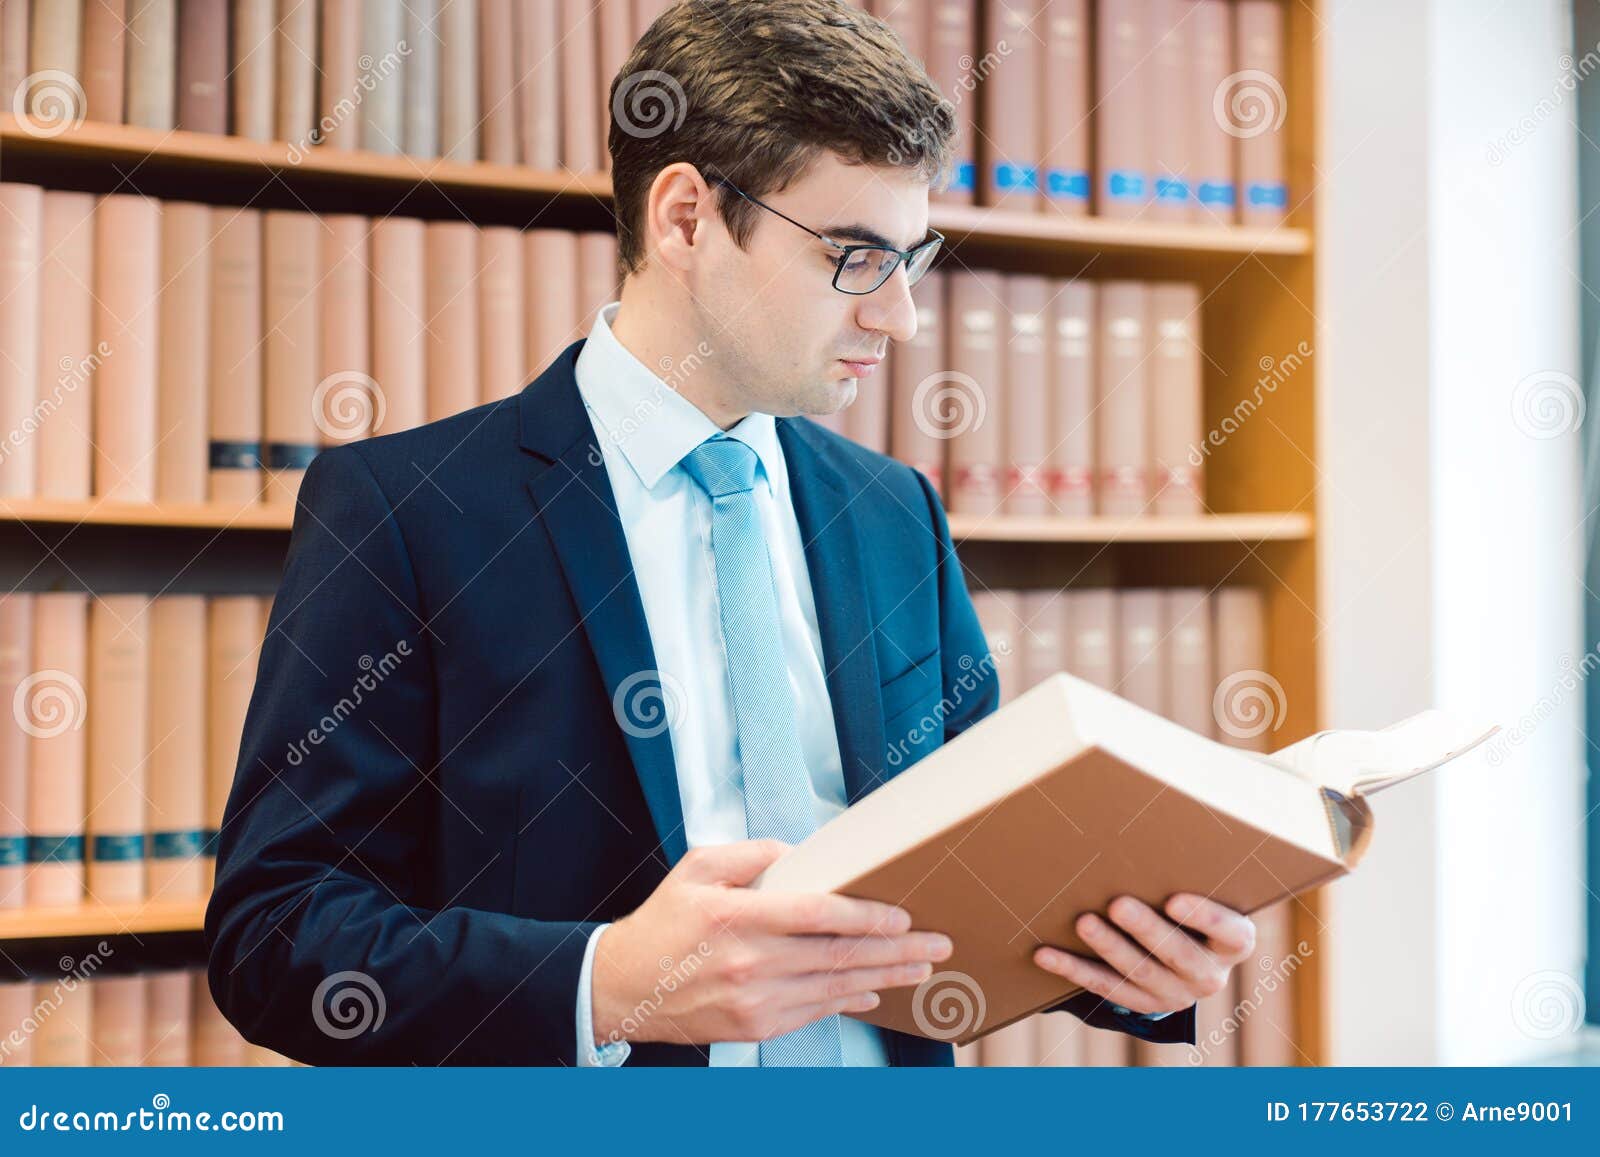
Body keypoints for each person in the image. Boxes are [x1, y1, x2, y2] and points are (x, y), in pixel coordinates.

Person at [205, 0, 1254, 1067]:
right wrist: (610, 983)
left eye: (912, 257)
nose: (899, 315)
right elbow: (273, 934)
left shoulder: (893, 509)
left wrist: (1132, 958)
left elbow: (985, 864)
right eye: (855, 256)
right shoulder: (408, 508)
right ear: (685, 221)